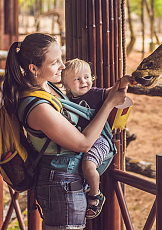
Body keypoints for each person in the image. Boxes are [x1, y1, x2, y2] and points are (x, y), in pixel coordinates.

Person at [1, 33, 127, 229]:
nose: (62, 66)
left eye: (61, 58)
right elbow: (84, 143)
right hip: (61, 184)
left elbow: (84, 97)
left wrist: (115, 90)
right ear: (34, 68)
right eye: (54, 62)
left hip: (68, 179)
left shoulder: (49, 86)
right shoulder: (37, 106)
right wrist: (109, 104)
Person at [61, 59, 134, 219]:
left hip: (99, 139)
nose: (83, 82)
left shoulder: (95, 94)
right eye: (77, 79)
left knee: (88, 166)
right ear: (65, 85)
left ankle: (95, 195)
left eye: (87, 77)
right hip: (79, 139)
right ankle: (86, 187)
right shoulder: (65, 100)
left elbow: (115, 89)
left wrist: (126, 80)